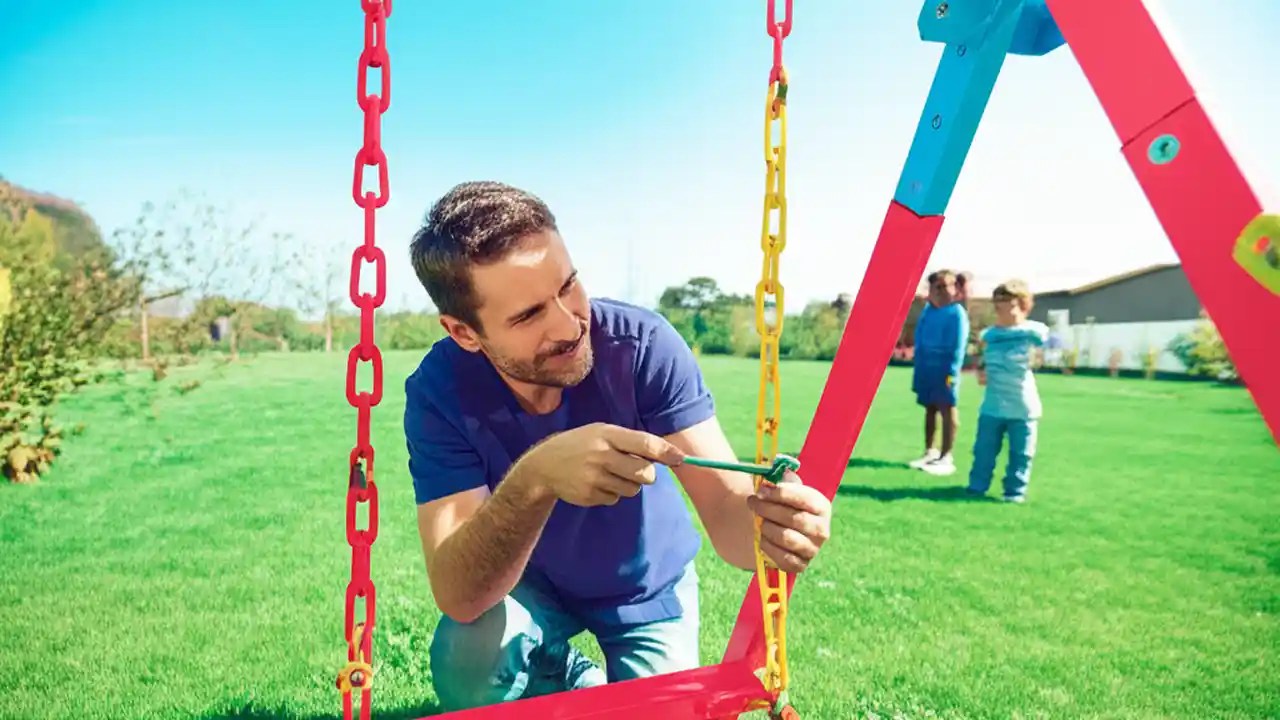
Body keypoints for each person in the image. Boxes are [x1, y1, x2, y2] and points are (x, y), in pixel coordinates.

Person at [402, 181, 834, 712]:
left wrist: (776, 526)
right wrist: (538, 477)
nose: (569, 324)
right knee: (466, 661)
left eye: (569, 285)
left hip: (646, 589)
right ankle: (571, 678)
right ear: (464, 332)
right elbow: (459, 593)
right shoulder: (439, 390)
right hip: (528, 588)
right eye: (528, 315)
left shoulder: (643, 348)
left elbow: (729, 519)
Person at [966, 280, 1049, 503]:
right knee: (983, 452)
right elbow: (980, 360)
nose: (1002, 308)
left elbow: (1045, 354)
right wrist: (980, 370)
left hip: (1023, 407)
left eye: (1008, 302)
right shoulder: (988, 335)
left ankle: (1014, 492)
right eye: (998, 303)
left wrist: (1039, 358)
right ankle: (976, 487)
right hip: (992, 405)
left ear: (1023, 304)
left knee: (1021, 455)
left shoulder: (1035, 332)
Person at [908, 269, 970, 475]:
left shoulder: (956, 313)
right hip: (926, 369)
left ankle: (946, 455)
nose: (942, 291)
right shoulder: (928, 311)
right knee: (930, 409)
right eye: (938, 287)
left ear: (956, 289)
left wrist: (951, 371)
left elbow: (957, 345)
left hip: (946, 370)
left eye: (947, 286)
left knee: (947, 408)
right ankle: (930, 451)